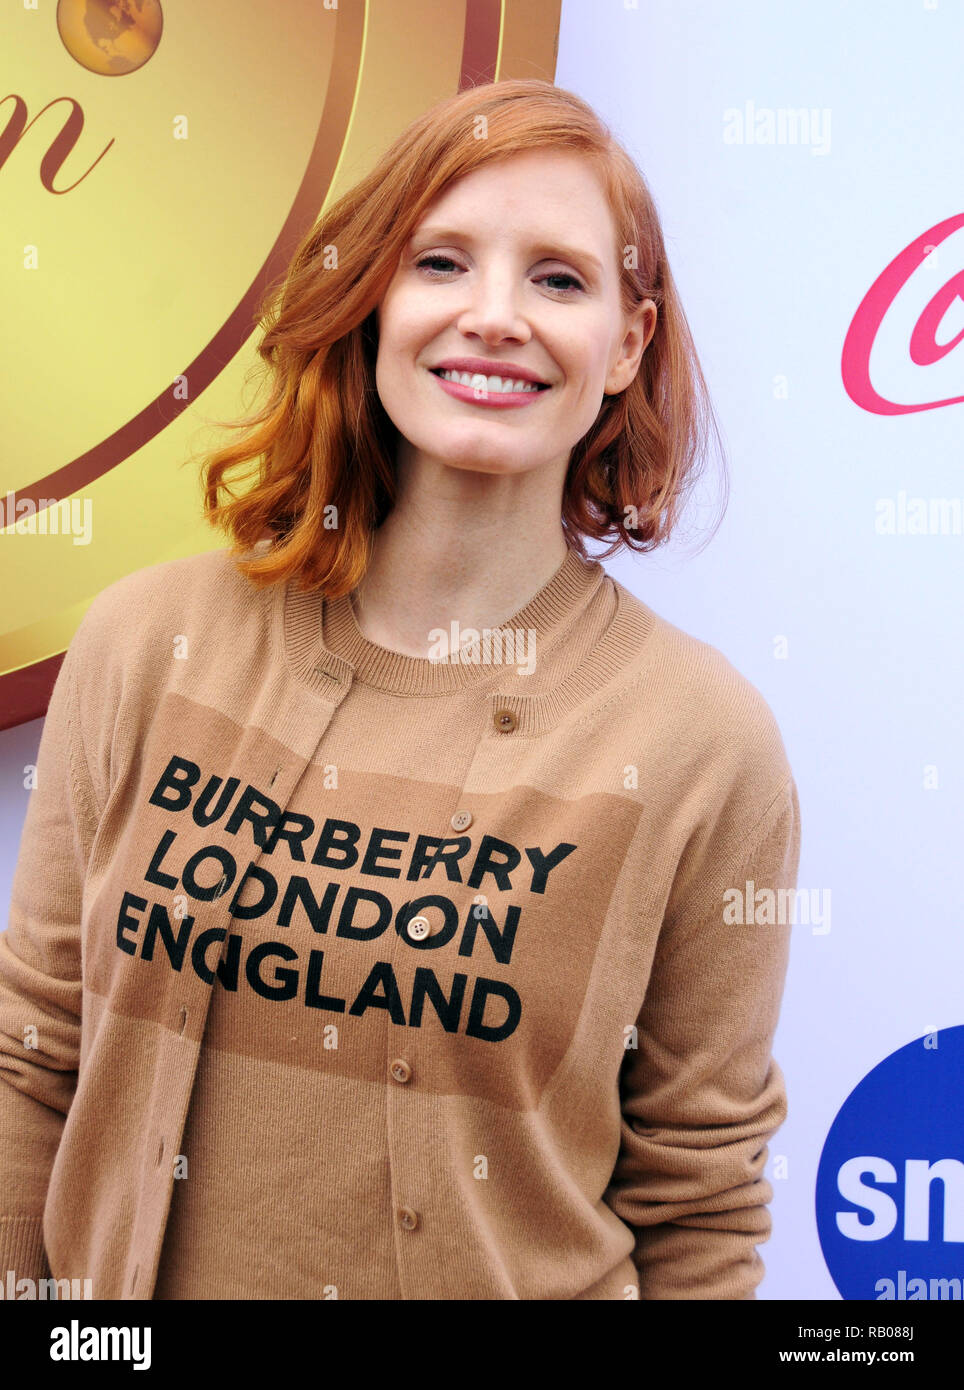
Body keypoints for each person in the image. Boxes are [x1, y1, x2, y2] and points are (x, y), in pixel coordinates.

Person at [0, 78, 800, 1301]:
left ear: (625, 345)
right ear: (372, 298)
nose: (494, 316)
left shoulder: (702, 740)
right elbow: (31, 1055)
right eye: (441, 262)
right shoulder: (144, 639)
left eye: (559, 279)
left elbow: (696, 1205)